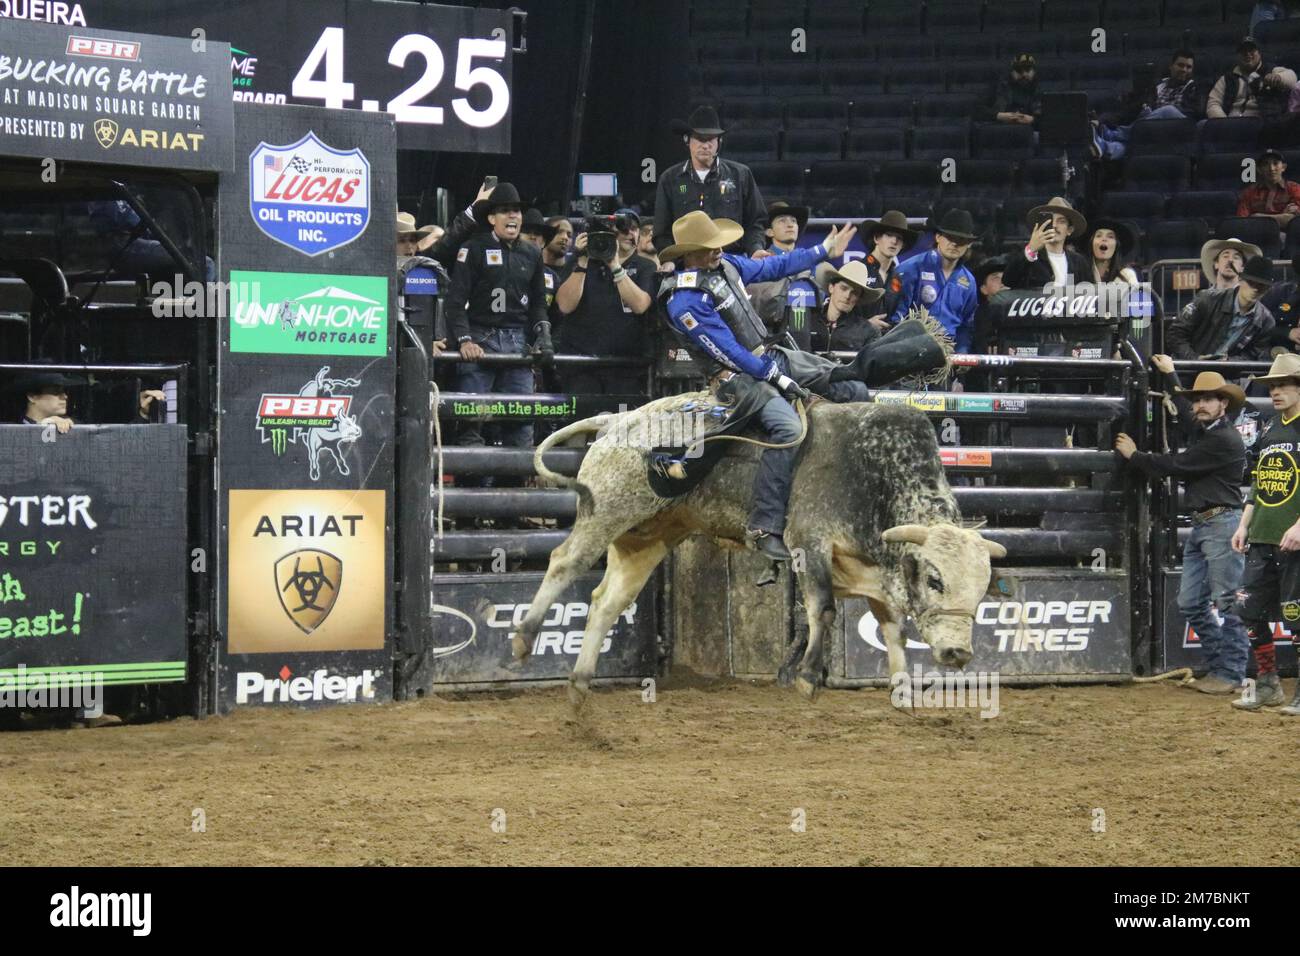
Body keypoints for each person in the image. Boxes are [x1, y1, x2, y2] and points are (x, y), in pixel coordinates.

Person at [658, 212, 947, 561]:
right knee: (788, 428)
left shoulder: (725, 266)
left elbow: (771, 268)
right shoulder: (683, 300)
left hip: (769, 356)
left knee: (852, 386)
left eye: (717, 244)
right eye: (709, 248)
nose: (718, 250)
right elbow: (728, 352)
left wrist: (821, 250)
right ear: (688, 254)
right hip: (736, 379)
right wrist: (775, 376)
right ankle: (764, 525)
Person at [1115, 361, 1250, 694]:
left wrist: (1136, 457)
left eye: (1208, 399)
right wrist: (1172, 375)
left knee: (1227, 601)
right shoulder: (1213, 432)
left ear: (1223, 404)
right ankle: (1222, 666)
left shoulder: (1223, 440)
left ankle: (1231, 672)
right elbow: (1191, 421)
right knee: (1192, 601)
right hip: (1208, 524)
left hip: (1220, 524)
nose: (1200, 405)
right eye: (1198, 399)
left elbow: (1177, 465)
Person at [445, 182, 550, 450]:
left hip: (518, 342)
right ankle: (473, 485)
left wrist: (543, 334)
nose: (513, 216)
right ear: (492, 218)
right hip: (480, 337)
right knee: (471, 419)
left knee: (521, 419)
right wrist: (465, 340)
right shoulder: (473, 248)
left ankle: (517, 486)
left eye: (516, 211)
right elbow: (455, 301)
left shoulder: (532, 253)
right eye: (505, 211)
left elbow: (539, 301)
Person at [1230, 351, 1300, 713]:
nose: (1275, 392)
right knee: (1250, 611)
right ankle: (1269, 684)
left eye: (1283, 385)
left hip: (1294, 537)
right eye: (1273, 386)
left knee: (1297, 614)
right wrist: (1244, 523)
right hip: (1263, 534)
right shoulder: (1272, 426)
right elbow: (1259, 482)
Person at [554, 214, 657, 396]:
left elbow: (640, 305)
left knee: (623, 424)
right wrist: (582, 262)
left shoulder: (645, 267)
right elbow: (565, 306)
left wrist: (615, 265)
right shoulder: (581, 261)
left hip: (626, 367)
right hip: (581, 365)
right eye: (621, 229)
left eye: (633, 229)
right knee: (583, 424)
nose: (628, 234)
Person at [652, 106, 767, 257]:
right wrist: (669, 260)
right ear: (687, 140)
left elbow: (755, 221)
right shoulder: (670, 179)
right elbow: (662, 230)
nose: (705, 145)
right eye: (699, 138)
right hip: (686, 262)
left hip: (732, 259)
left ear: (719, 141)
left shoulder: (741, 175)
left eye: (711, 139)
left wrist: (755, 249)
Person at [888, 208, 981, 353]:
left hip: (949, 355)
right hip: (911, 349)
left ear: (969, 244)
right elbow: (897, 317)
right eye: (950, 237)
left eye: (961, 240)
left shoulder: (969, 282)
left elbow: (966, 326)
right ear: (938, 237)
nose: (955, 244)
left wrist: (962, 354)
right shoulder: (910, 269)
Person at [1091, 50, 1202, 159]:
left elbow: (1196, 112)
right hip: (1151, 129)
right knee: (1131, 145)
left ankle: (1113, 135)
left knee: (1168, 110)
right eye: (1180, 65)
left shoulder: (1196, 88)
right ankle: (1105, 147)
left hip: (1179, 128)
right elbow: (1130, 111)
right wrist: (1101, 120)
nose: (1184, 70)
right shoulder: (1157, 87)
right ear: (1171, 66)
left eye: (1188, 67)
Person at [1167, 255, 1277, 361]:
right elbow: (1176, 333)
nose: (1255, 289)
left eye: (1262, 286)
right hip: (1188, 369)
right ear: (1240, 279)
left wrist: (1229, 362)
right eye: (1251, 283)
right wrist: (1195, 359)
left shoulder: (1266, 321)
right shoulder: (1207, 299)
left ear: (1268, 289)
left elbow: (1252, 355)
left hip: (1227, 374)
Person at [746, 200, 818, 349]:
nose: (790, 224)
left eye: (794, 221)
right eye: (782, 221)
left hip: (805, 338)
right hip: (767, 340)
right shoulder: (760, 263)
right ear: (769, 232)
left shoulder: (811, 266)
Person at [13, 370, 163, 429]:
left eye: (64, 391)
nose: (64, 396)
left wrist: (143, 414)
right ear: (32, 396)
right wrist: (40, 430)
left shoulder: (74, 426)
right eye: (56, 392)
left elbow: (114, 445)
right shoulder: (10, 431)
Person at [1001, 196, 1091, 290]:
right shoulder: (1026, 257)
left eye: (1061, 221)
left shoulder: (1079, 262)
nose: (1054, 225)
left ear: (1069, 230)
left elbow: (1090, 297)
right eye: (1050, 220)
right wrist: (1031, 250)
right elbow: (1008, 281)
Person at [1206, 36, 1296, 119]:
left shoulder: (1271, 70)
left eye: (1252, 50)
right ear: (1237, 56)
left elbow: (1292, 78)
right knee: (1202, 125)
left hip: (1261, 122)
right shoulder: (1226, 78)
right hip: (1230, 123)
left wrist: (1278, 77)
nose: (1248, 54)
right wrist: (1223, 123)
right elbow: (1213, 103)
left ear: (1259, 54)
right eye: (1243, 51)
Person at [859, 210, 918, 331]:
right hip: (853, 344)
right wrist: (865, 325)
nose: (894, 241)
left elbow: (898, 316)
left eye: (899, 238)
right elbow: (838, 313)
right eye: (889, 235)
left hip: (884, 345)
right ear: (876, 238)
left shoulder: (897, 278)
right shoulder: (857, 269)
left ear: (902, 245)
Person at [809, 260, 882, 352]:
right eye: (843, 288)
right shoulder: (808, 321)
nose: (847, 296)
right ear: (831, 287)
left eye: (854, 293)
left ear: (859, 298)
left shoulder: (869, 332)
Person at [1237, 148, 1300, 228]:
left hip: (1286, 235)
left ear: (1283, 167)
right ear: (1259, 169)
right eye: (1266, 164)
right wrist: (1282, 216)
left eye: (1275, 163)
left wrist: (1256, 216)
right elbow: (1242, 222)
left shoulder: (1295, 189)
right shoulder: (1249, 192)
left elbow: (1294, 221)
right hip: (1256, 235)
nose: (1271, 169)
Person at [985, 53, 1041, 127]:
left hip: (1032, 130)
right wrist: (999, 116)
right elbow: (978, 110)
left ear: (1034, 72)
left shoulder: (1041, 90)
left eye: (1028, 70)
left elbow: (1051, 119)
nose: (1024, 74)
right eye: (1019, 71)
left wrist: (1033, 120)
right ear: (1011, 72)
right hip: (1001, 128)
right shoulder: (998, 88)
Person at [1082, 218, 1140, 285]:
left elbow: (1137, 294)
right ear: (1091, 243)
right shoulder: (1081, 273)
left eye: (1110, 237)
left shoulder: (1127, 275)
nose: (1104, 239)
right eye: (1098, 236)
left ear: (1116, 245)